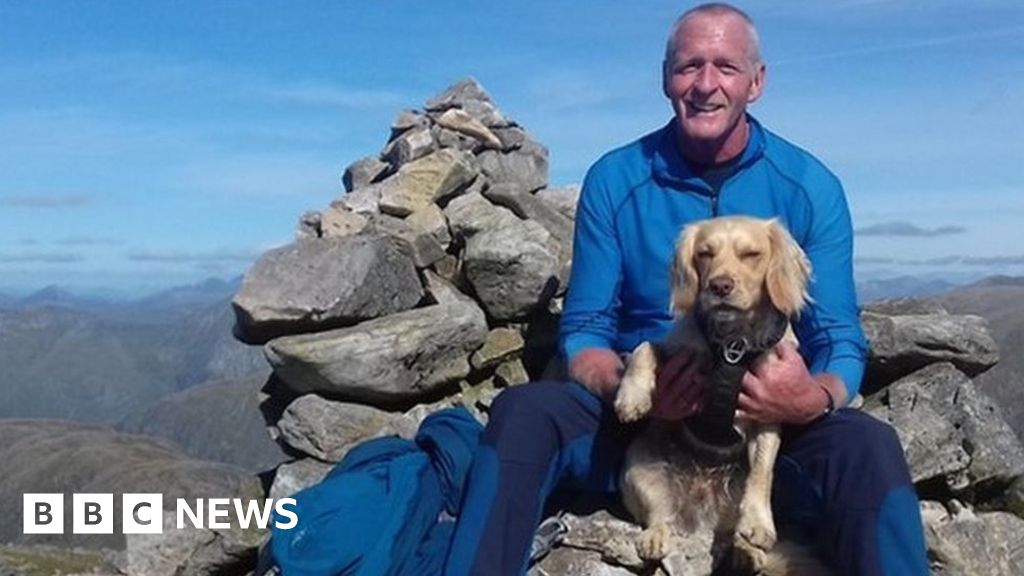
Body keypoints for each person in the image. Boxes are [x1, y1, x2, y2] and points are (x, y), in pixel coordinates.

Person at [443, 4, 929, 575]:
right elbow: (585, 331)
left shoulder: (810, 187)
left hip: (767, 430)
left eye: (725, 66)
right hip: (642, 424)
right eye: (688, 66)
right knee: (524, 412)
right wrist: (631, 387)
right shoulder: (617, 179)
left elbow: (842, 341)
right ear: (665, 78)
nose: (705, 85)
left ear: (757, 82)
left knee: (868, 448)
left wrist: (809, 397)